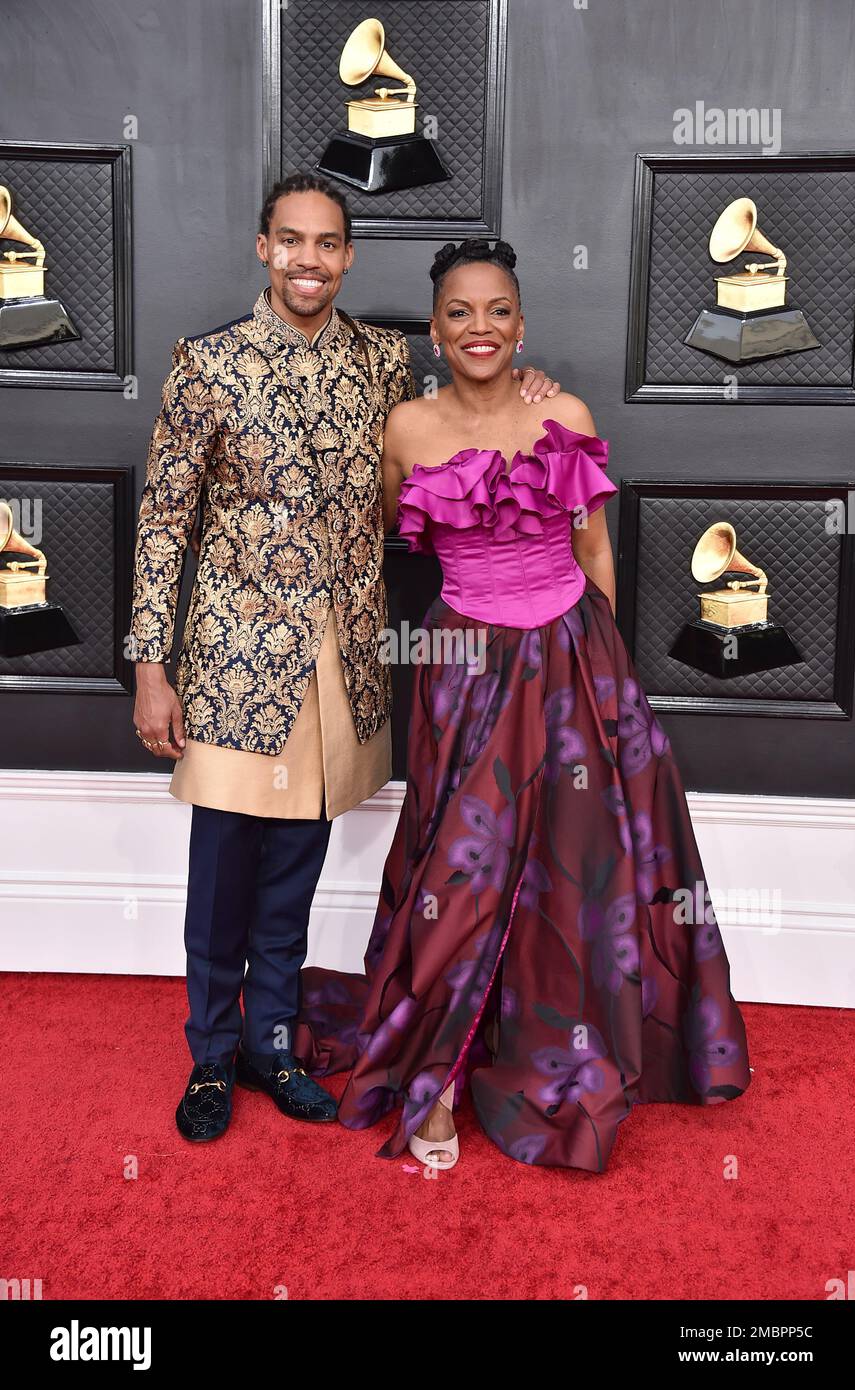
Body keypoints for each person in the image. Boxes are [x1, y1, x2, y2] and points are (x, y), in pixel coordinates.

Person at [294, 237, 752, 1172]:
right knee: (456, 873)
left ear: (520, 323)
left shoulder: (565, 412)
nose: (479, 327)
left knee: (570, 863)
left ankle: (552, 1047)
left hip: (573, 655)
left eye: (497, 310)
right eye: (459, 312)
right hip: (466, 664)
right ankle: (433, 1077)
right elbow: (391, 533)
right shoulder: (407, 430)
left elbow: (595, 554)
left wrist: (610, 679)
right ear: (434, 329)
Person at [129, 176, 559, 1142]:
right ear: (262, 249)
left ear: (349, 256)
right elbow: (163, 520)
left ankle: (272, 1044)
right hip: (234, 657)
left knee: (296, 868)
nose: (308, 260)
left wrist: (524, 386)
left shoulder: (382, 362)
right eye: (291, 242)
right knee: (223, 869)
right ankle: (209, 1055)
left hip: (345, 657)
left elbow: (452, 429)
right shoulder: (208, 363)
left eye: (327, 244)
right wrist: (151, 665)